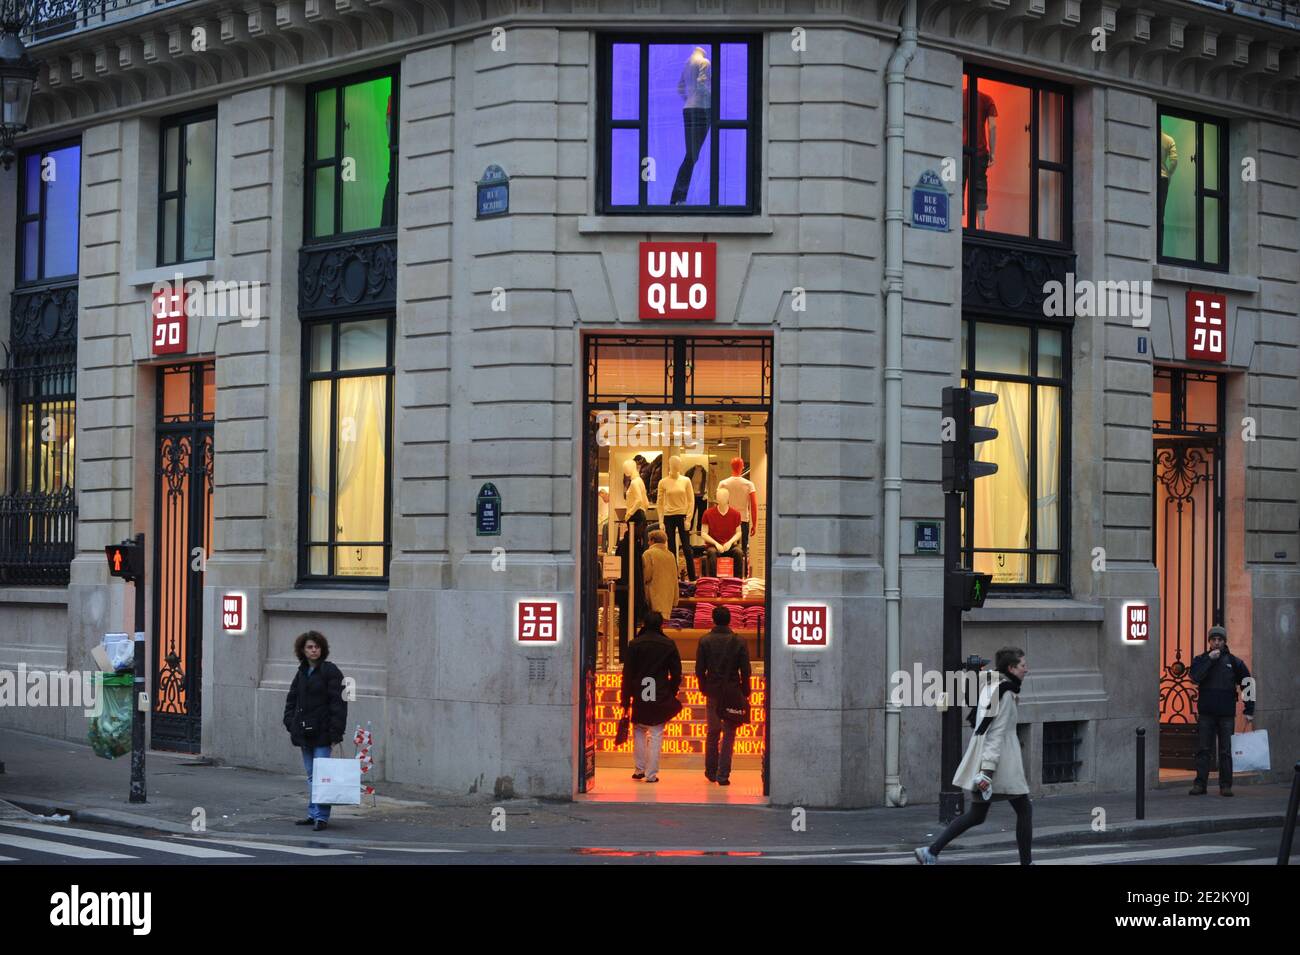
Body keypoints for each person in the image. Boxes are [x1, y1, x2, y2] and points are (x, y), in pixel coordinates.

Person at [915, 647, 1032, 865]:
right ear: (1011, 668)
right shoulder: (1005, 692)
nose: (1027, 669)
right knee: (1024, 809)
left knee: (977, 815)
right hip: (999, 765)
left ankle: (931, 851)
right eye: (1023, 665)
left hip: (987, 761)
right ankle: (1027, 863)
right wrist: (987, 771)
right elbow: (994, 733)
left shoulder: (992, 686)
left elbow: (981, 724)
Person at [282, 631, 348, 831]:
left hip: (323, 732)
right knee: (311, 775)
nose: (314, 650)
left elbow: (338, 704)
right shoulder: (301, 671)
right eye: (310, 647)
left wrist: (336, 733)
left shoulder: (330, 671)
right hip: (304, 732)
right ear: (303, 650)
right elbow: (292, 699)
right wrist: (290, 722)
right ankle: (313, 813)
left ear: (322, 649)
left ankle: (321, 817)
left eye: (317, 647)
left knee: (322, 776)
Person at [1189, 625, 1255, 797]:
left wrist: (1250, 708)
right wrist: (1209, 660)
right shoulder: (1201, 659)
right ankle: (1200, 784)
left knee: (1225, 751)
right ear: (1209, 642)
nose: (1216, 643)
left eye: (1220, 640)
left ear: (1225, 641)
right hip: (1206, 713)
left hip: (1226, 714)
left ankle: (1225, 785)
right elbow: (1195, 678)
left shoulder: (1234, 662)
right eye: (1213, 640)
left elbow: (1248, 682)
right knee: (1203, 749)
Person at [619, 610, 683, 783]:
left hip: (640, 693)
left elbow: (628, 673)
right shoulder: (668, 644)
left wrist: (625, 699)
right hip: (659, 692)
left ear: (644, 624)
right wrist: (671, 690)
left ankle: (638, 769)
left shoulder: (634, 644)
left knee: (639, 730)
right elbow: (677, 673)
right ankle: (651, 774)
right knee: (655, 733)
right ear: (661, 624)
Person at [696, 605, 750, 786]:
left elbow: (699, 670)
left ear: (713, 619)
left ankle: (710, 772)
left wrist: (704, 688)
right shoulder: (740, 641)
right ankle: (723, 775)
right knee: (729, 734)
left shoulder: (704, 641)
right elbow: (746, 671)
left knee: (712, 732)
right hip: (732, 692)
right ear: (730, 620)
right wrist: (745, 691)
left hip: (713, 692)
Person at [671, 46, 712, 205]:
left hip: (688, 108)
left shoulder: (688, 62)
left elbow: (680, 87)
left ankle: (678, 197)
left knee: (691, 156)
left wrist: (689, 99)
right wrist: (712, 97)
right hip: (701, 109)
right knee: (692, 156)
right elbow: (702, 85)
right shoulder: (704, 62)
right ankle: (678, 197)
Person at [641, 529, 680, 620]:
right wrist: (675, 599)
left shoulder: (648, 553)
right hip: (668, 597)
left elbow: (646, 576)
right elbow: (675, 578)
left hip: (653, 596)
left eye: (649, 540)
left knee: (652, 623)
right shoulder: (671, 555)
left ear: (653, 540)